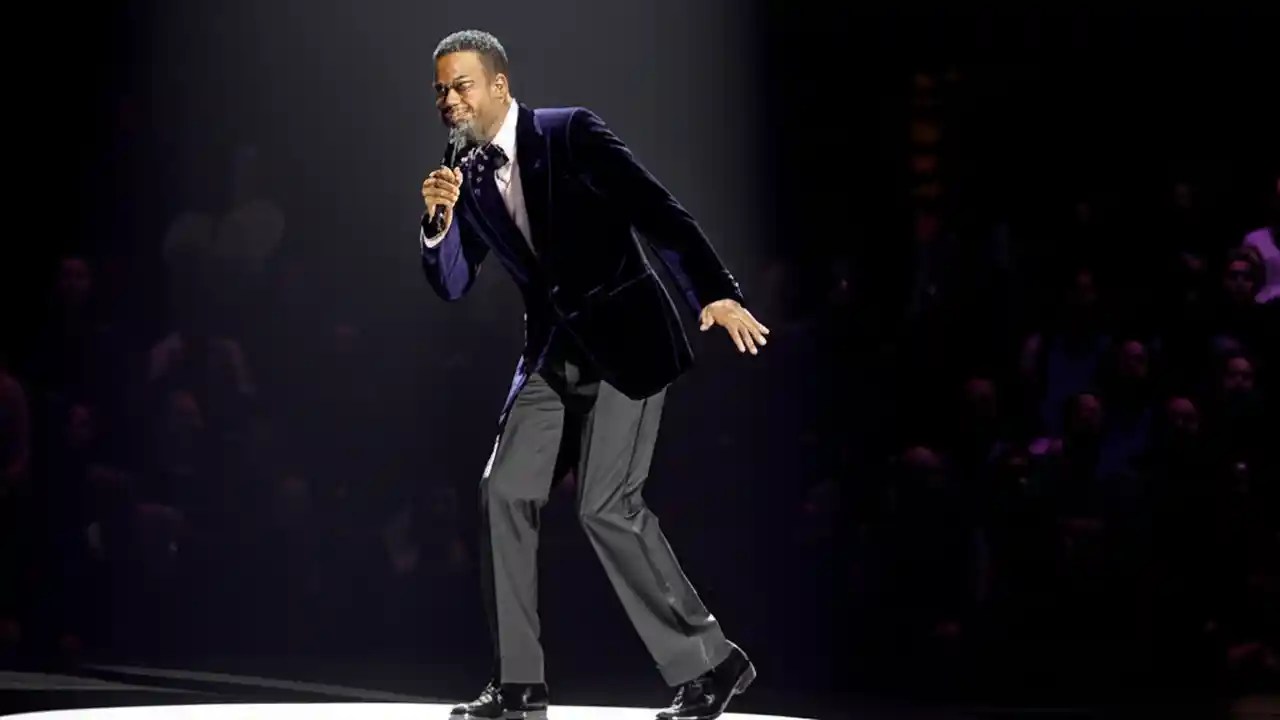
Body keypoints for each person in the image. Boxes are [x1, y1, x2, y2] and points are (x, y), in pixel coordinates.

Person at [419, 29, 766, 720]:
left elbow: (654, 208)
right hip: (552, 350)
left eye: (461, 85)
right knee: (504, 487)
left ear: (498, 86)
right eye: (440, 91)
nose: (449, 101)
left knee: (607, 505)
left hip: (626, 341)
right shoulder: (467, 176)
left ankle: (713, 663)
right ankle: (518, 683)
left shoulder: (569, 134)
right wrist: (437, 227)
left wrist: (713, 290)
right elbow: (454, 284)